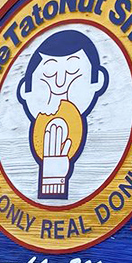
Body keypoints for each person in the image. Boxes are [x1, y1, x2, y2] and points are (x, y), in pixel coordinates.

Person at [17, 29, 109, 199]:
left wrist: (55, 177)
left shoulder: (106, 150)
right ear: (24, 91)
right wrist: (51, 177)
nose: (60, 83)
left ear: (98, 81)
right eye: (49, 72)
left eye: (73, 71)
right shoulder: (15, 157)